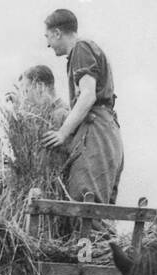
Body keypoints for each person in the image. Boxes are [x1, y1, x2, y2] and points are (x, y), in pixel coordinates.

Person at [41, 9, 124, 206]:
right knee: (94, 205)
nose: (47, 44)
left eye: (48, 37)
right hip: (102, 128)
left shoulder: (81, 48)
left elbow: (88, 95)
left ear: (57, 33)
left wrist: (62, 133)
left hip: (96, 129)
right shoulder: (83, 50)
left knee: (86, 202)